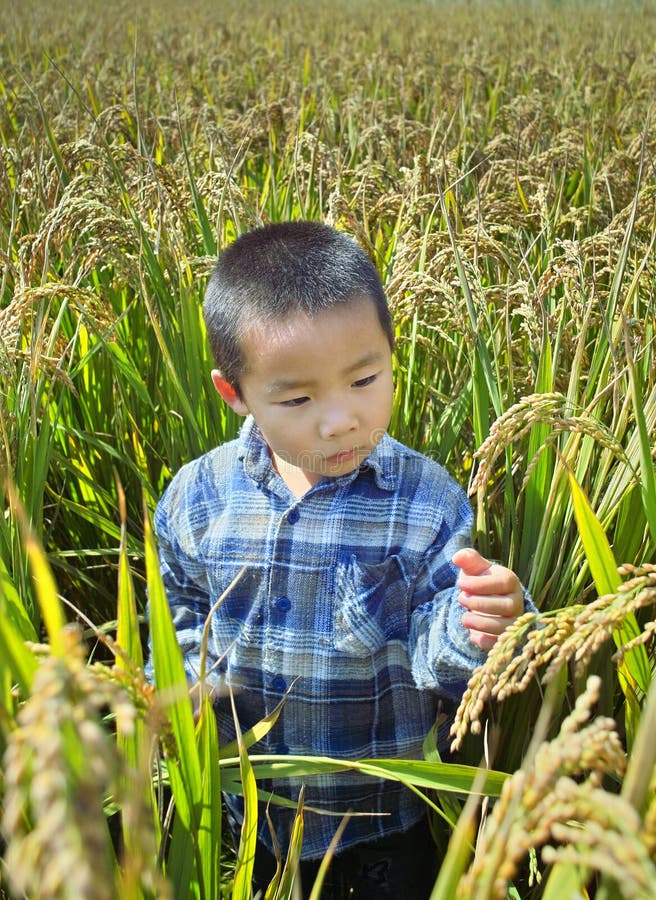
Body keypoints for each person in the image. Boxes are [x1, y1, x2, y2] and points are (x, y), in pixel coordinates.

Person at [151, 221, 534, 898]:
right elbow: (179, 608)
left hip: (378, 831)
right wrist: (174, 698)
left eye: (365, 379)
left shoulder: (423, 503)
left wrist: (482, 624)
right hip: (240, 815)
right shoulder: (198, 499)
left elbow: (437, 631)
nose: (341, 420)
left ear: (392, 353)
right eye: (298, 399)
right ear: (233, 392)